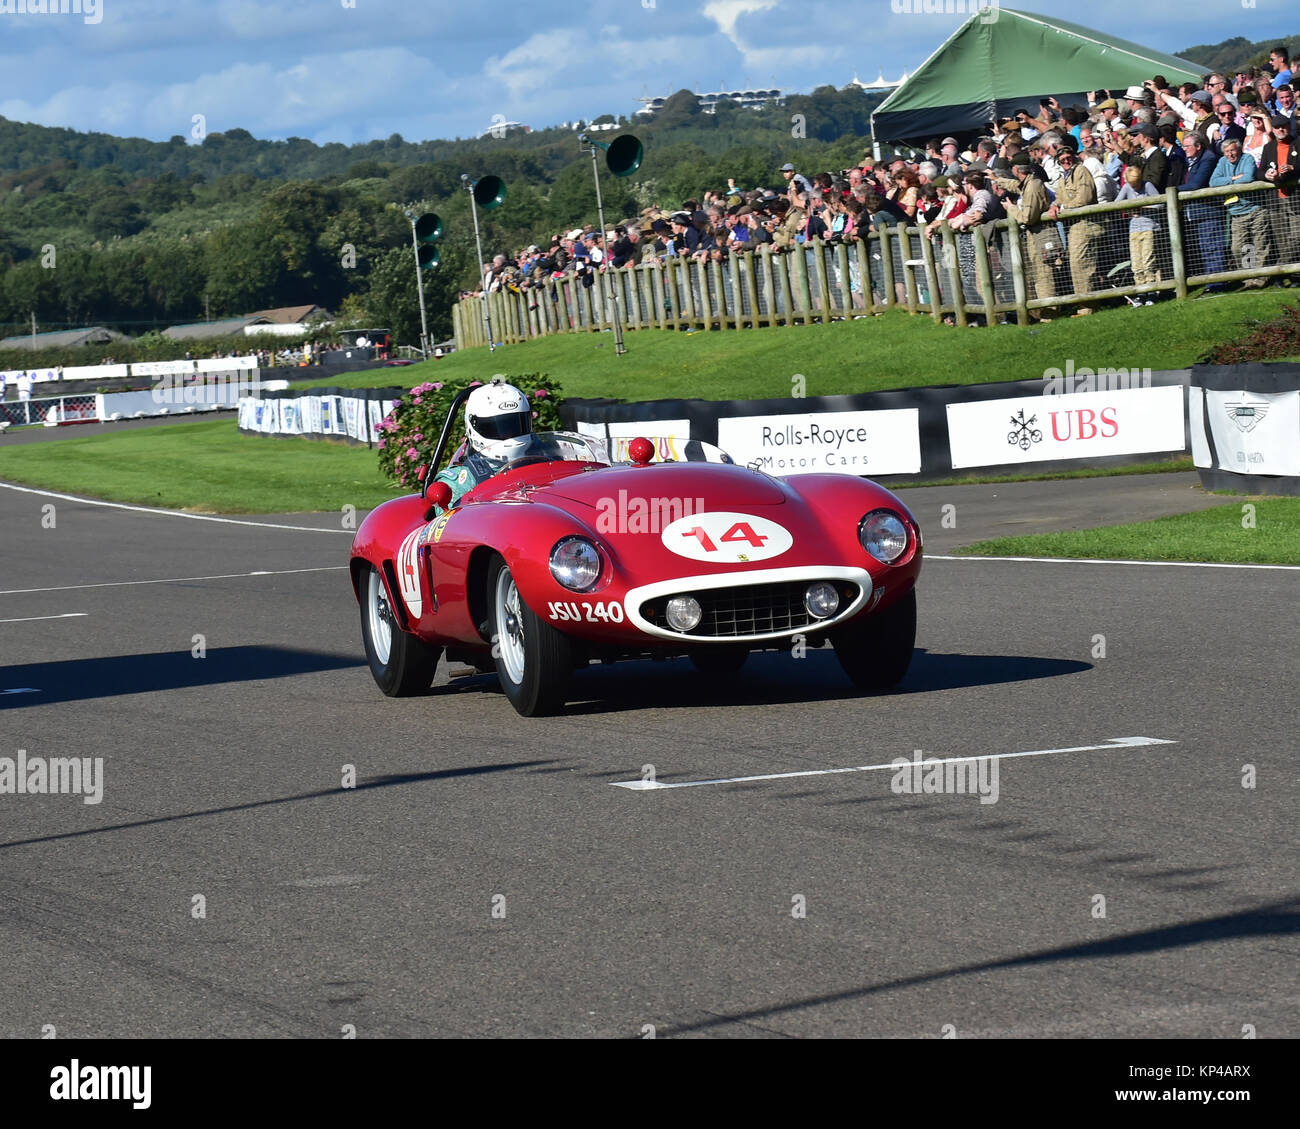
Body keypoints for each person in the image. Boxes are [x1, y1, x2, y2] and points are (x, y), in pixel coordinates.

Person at [429, 380, 533, 515]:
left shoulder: (547, 456)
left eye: (515, 425)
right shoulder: (461, 482)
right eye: (497, 428)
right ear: (474, 426)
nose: (509, 435)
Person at [1210, 137, 1271, 287]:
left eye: (1233, 150)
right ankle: (1248, 278)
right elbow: (1213, 182)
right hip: (1236, 213)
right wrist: (1233, 178)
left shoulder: (1247, 158)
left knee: (1261, 245)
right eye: (1227, 151)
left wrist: (1228, 181)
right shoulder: (1222, 162)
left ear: (1239, 150)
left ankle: (1261, 279)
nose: (1230, 154)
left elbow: (1248, 177)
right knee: (1238, 248)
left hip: (1255, 209)